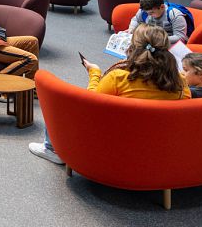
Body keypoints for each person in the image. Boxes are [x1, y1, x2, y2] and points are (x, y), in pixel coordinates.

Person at [30, 25, 190, 164]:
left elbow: (91, 104)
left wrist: (94, 73)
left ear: (133, 47)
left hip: (114, 146)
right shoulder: (181, 82)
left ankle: (51, 149)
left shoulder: (118, 78)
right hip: (158, 149)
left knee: (58, 103)